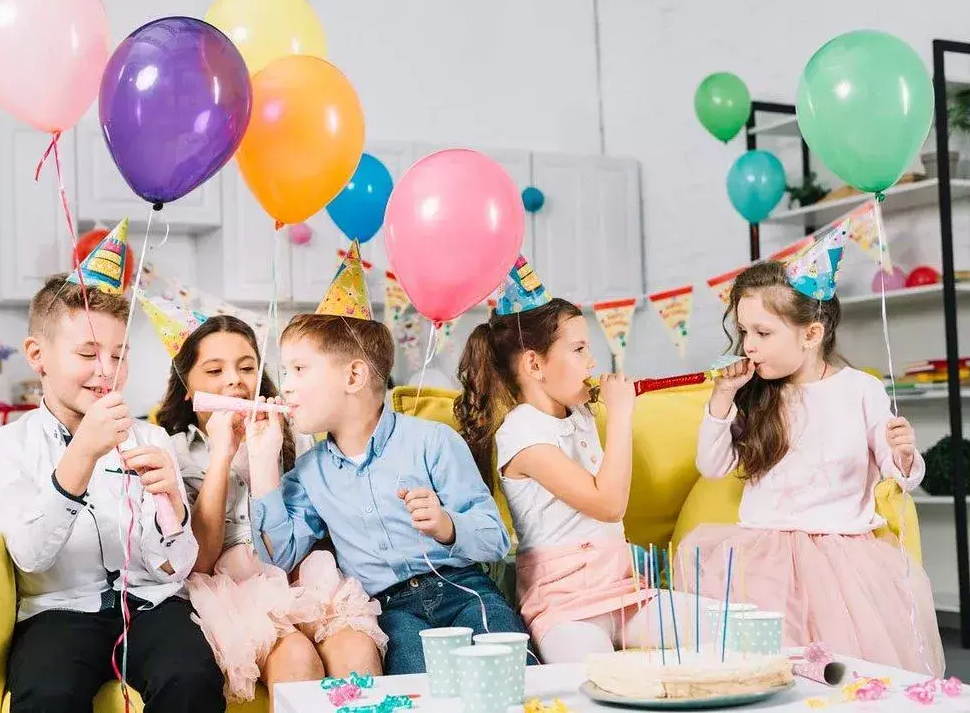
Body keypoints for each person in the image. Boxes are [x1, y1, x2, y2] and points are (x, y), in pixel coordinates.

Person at [249, 242, 529, 674]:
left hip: (464, 590)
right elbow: (280, 559)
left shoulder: (433, 442)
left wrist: (446, 524)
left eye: (299, 370)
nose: (286, 386)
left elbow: (495, 537)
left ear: (354, 376)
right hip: (391, 612)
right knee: (416, 689)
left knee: (508, 672)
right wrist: (264, 464)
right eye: (285, 372)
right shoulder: (309, 473)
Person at [680, 227, 945, 674]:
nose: (748, 345)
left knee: (847, 674)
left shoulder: (860, 389)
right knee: (766, 669)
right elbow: (711, 466)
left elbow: (900, 473)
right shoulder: (755, 394)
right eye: (744, 331)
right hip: (763, 556)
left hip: (844, 559)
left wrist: (903, 456)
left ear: (811, 333)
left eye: (763, 332)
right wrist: (722, 399)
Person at [0, 250, 223, 712]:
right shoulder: (2, 448)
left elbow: (179, 567)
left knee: (192, 678)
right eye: (88, 353)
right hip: (58, 613)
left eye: (119, 354)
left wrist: (172, 505)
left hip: (151, 606)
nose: (107, 370)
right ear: (37, 356)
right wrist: (82, 453)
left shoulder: (151, 437)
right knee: (47, 694)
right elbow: (31, 556)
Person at [455, 254, 713, 663]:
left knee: (730, 627)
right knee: (595, 681)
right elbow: (608, 505)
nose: (592, 363)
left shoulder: (579, 415)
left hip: (625, 594)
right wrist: (623, 414)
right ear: (535, 364)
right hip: (565, 609)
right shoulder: (521, 432)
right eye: (578, 349)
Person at [150, 303, 384, 706]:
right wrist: (222, 455)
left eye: (246, 368)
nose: (234, 382)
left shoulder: (298, 434)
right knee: (296, 656)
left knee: (357, 650)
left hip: (302, 574)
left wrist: (268, 456)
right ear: (188, 388)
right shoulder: (173, 453)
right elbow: (201, 562)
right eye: (214, 371)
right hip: (232, 588)